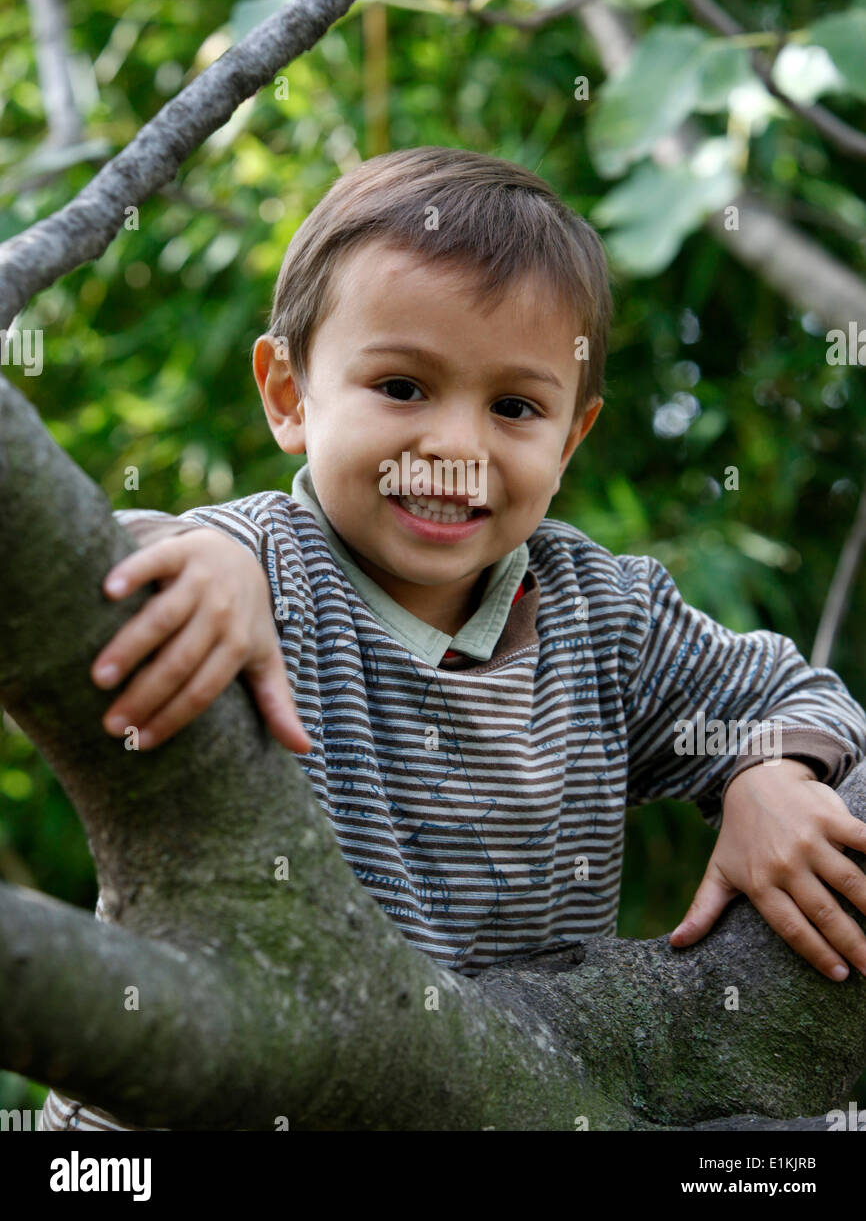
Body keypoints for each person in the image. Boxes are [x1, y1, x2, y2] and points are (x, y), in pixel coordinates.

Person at [40, 147, 866, 1131]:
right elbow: (106, 569)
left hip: (501, 1094)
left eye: (513, 408)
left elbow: (793, 696)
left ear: (569, 439)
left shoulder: (604, 617)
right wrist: (208, 568)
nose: (456, 448)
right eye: (402, 386)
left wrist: (769, 779)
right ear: (289, 393)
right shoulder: (263, 568)